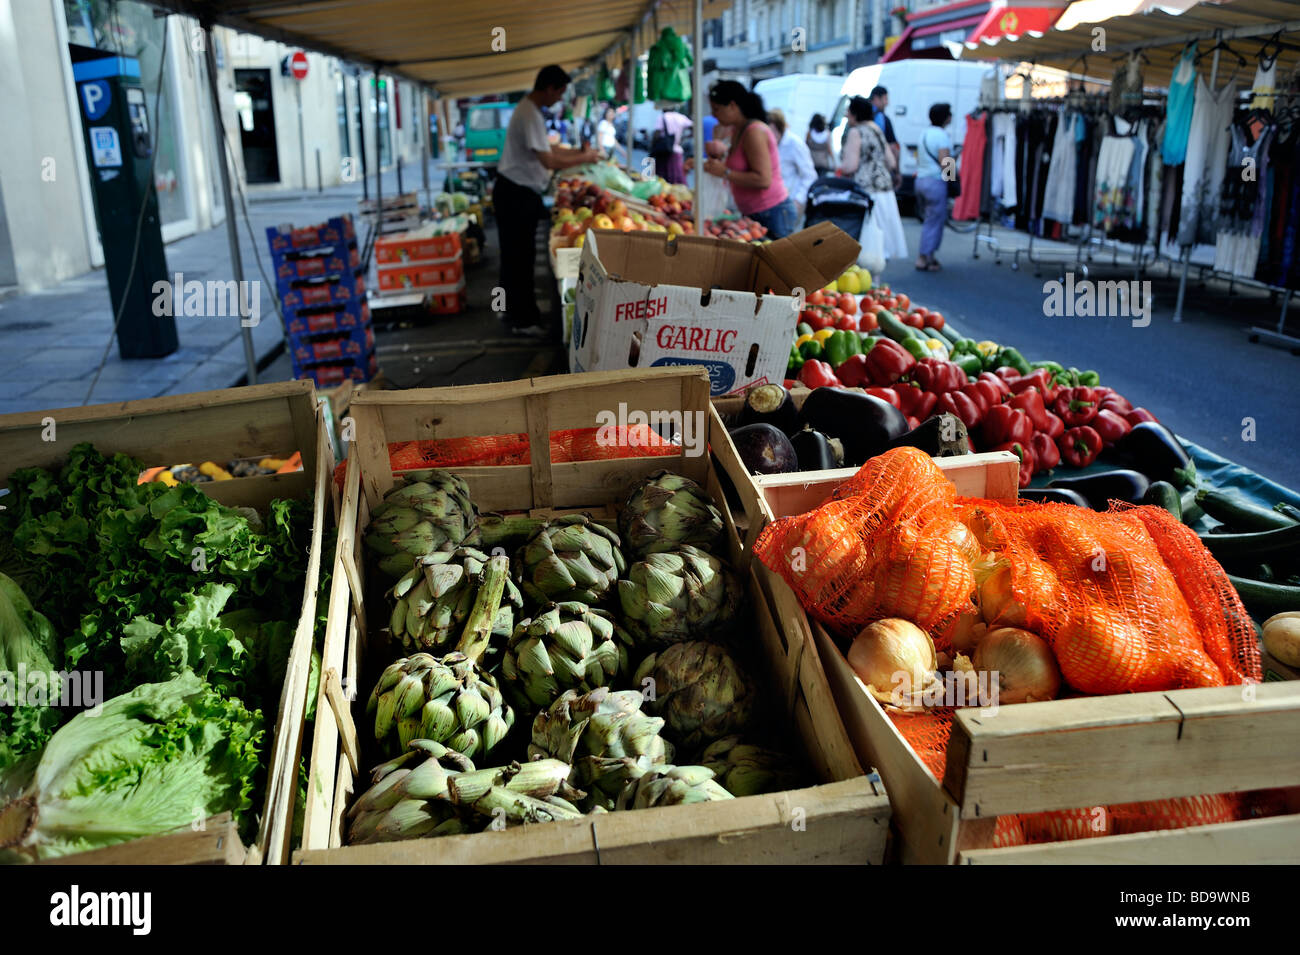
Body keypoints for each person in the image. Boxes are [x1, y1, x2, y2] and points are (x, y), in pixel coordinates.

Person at [495, 65, 599, 338]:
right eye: (560, 92)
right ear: (550, 88)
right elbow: (549, 160)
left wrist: (577, 151)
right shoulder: (529, 113)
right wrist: (585, 158)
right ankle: (522, 318)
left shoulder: (531, 111)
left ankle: (512, 312)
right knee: (519, 257)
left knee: (515, 256)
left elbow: (547, 148)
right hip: (516, 193)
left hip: (516, 191)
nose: (560, 99)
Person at [691, 80, 797, 239]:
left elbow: (763, 180)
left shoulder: (754, 132)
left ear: (733, 106)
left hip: (772, 212)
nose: (714, 115)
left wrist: (725, 172)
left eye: (717, 109)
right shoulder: (737, 130)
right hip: (756, 212)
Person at [837, 95, 907, 263]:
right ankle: (876, 280)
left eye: (848, 111)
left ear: (855, 114)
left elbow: (851, 166)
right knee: (881, 246)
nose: (846, 115)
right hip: (885, 191)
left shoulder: (856, 132)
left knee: (867, 245)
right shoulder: (876, 128)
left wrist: (839, 169)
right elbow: (890, 161)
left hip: (865, 191)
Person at [915, 102, 955, 271]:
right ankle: (925, 257)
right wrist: (952, 179)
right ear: (946, 117)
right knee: (934, 221)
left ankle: (928, 255)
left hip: (921, 180)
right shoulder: (942, 136)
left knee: (928, 219)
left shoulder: (923, 134)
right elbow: (945, 161)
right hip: (935, 182)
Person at [768, 109, 817, 220]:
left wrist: (798, 201)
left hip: (789, 203)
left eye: (771, 132)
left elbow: (810, 176)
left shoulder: (795, 144)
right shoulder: (772, 144)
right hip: (771, 203)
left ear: (778, 127)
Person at [653, 110, 693, 184]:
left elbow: (657, 133)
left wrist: (653, 145)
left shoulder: (662, 117)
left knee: (660, 178)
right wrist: (683, 138)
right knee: (676, 178)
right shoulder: (681, 117)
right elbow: (693, 127)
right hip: (676, 151)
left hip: (663, 151)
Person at [869, 85, 901, 170]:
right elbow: (893, 147)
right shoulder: (883, 119)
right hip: (880, 168)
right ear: (876, 98)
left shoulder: (858, 117)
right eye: (885, 99)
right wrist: (896, 171)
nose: (887, 103)